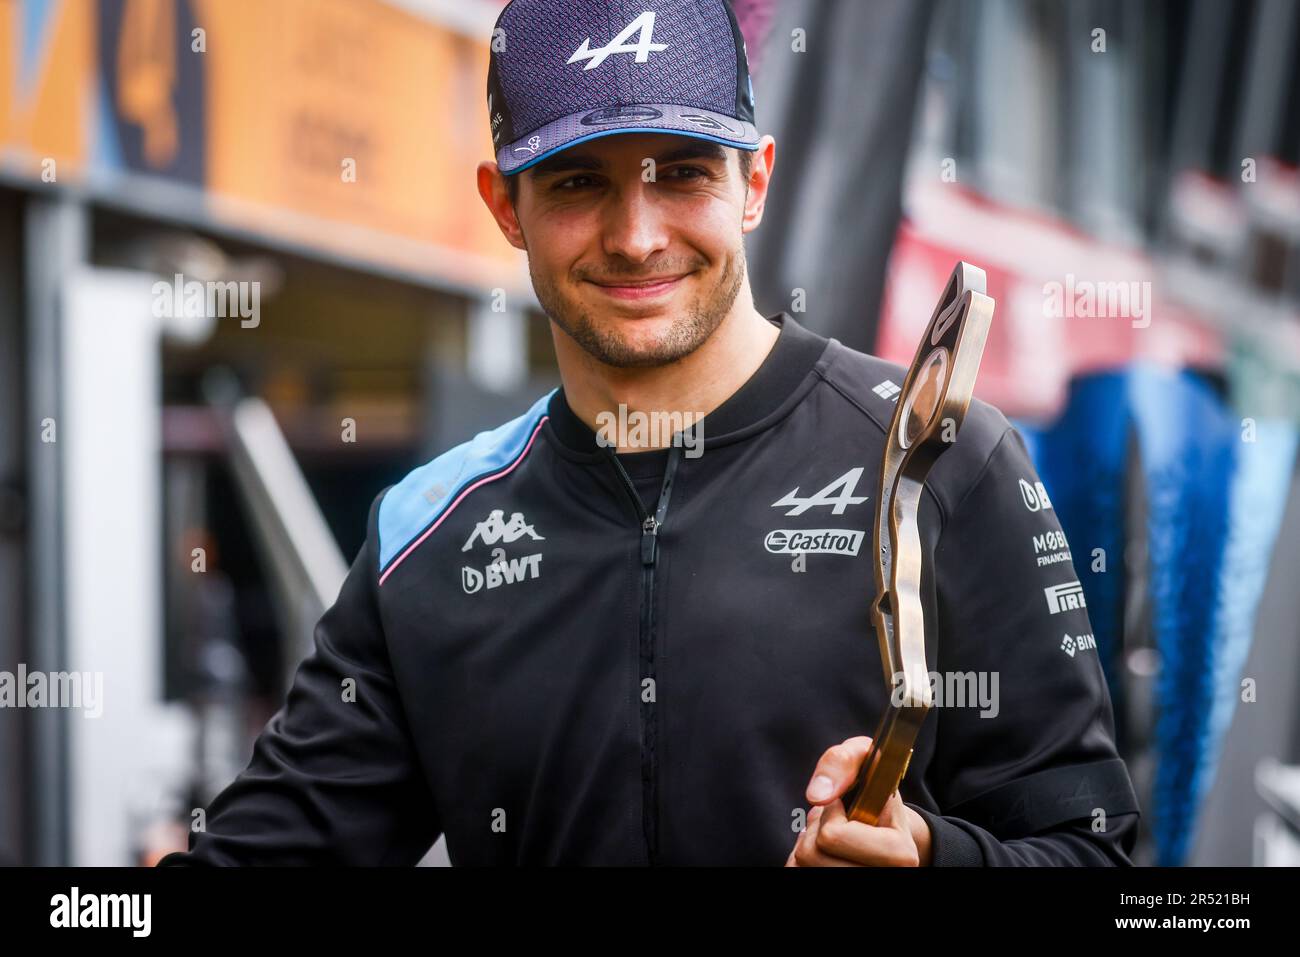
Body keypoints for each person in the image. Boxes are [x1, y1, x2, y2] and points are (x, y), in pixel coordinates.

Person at [159, 0, 1139, 867]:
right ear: (505, 205)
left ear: (754, 181)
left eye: (680, 173)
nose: (635, 235)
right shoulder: (429, 533)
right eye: (578, 182)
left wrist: (930, 857)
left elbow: (1097, 856)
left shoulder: (942, 457)